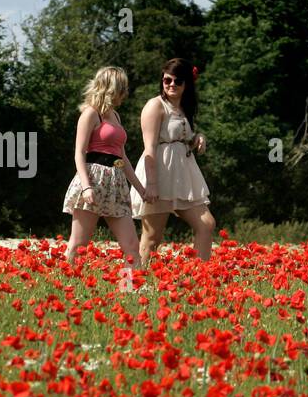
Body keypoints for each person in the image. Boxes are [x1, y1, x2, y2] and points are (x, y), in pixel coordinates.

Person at [62, 66, 154, 268]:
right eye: (122, 88)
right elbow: (79, 153)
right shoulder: (90, 114)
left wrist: (141, 189)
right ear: (111, 88)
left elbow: (122, 158)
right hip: (93, 180)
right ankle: (65, 285)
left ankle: (129, 289)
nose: (125, 93)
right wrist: (86, 187)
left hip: (116, 183)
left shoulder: (116, 116)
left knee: (131, 245)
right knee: (79, 243)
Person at [133, 58, 216, 267]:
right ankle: (134, 285)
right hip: (159, 174)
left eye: (177, 81)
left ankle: (198, 279)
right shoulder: (155, 106)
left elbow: (182, 136)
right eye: (167, 80)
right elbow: (150, 147)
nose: (171, 84)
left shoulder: (183, 108)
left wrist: (197, 138)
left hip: (183, 175)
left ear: (186, 84)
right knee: (152, 238)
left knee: (206, 224)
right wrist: (151, 184)